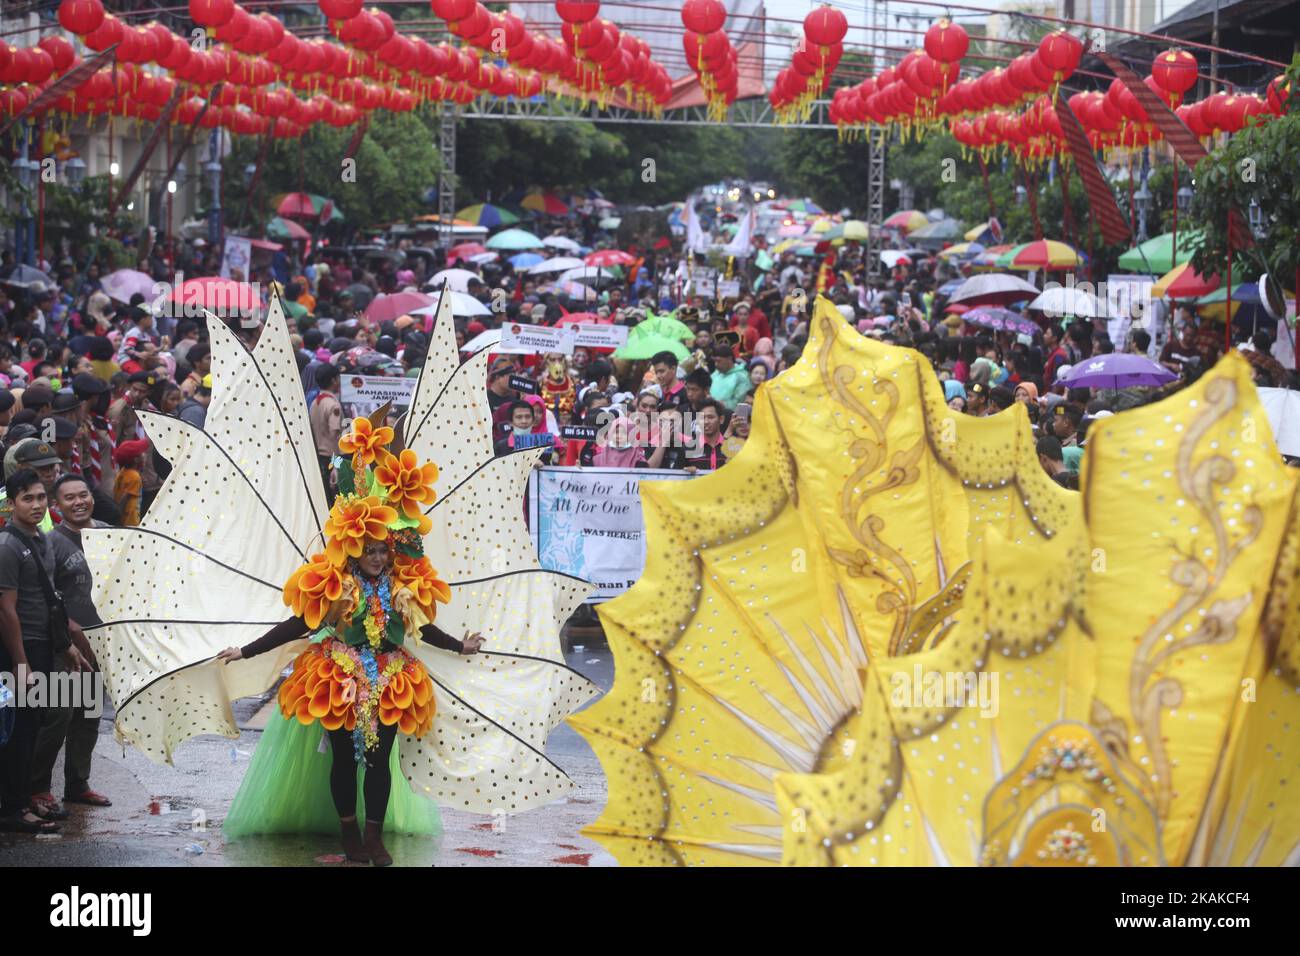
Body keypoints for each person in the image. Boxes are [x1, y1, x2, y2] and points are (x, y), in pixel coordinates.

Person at [216, 419, 485, 865]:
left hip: (393, 677)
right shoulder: (336, 587)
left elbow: (422, 630)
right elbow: (297, 625)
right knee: (344, 760)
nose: (378, 558)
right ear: (354, 549)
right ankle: (349, 835)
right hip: (339, 675)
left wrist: (461, 647)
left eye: (384, 551)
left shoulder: (403, 587)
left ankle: (374, 839)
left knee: (379, 761)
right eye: (370, 551)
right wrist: (244, 650)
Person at [0, 469, 88, 834]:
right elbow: (6, 610)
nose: (35, 505)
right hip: (18, 650)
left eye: (39, 498)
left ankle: (27, 799)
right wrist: (20, 664)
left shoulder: (42, 540)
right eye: (27, 499)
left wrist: (66, 645)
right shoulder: (7, 546)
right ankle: (13, 808)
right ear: (11, 504)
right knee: (19, 731)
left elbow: (52, 600)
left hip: (43, 644)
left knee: (36, 725)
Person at [28, 474, 110, 816]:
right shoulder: (50, 543)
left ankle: (78, 785)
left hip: (101, 643)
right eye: (69, 498)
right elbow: (49, 599)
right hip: (64, 647)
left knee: (88, 717)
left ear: (92, 496)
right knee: (57, 718)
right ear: (56, 505)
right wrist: (72, 634)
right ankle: (37, 789)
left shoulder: (108, 533)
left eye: (83, 495)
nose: (78, 502)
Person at [310, 364, 343, 504]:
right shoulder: (333, 405)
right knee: (335, 502)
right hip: (331, 458)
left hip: (317, 457)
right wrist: (336, 465)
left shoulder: (315, 402)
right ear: (334, 380)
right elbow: (334, 436)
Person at [679, 398, 727, 473]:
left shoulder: (732, 448)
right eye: (702, 418)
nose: (706, 422)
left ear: (721, 419)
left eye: (711, 417)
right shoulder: (688, 448)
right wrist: (687, 473)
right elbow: (674, 478)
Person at [112, 438, 150, 527]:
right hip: (130, 520)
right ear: (136, 460)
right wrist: (118, 517)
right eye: (142, 453)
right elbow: (125, 498)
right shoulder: (134, 477)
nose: (145, 454)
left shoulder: (123, 471)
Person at [709, 345, 750, 411]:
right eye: (714, 361)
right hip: (708, 413)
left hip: (730, 417)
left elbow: (739, 404)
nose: (716, 364)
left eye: (718, 361)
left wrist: (716, 403)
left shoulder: (741, 377)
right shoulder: (715, 374)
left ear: (729, 359)